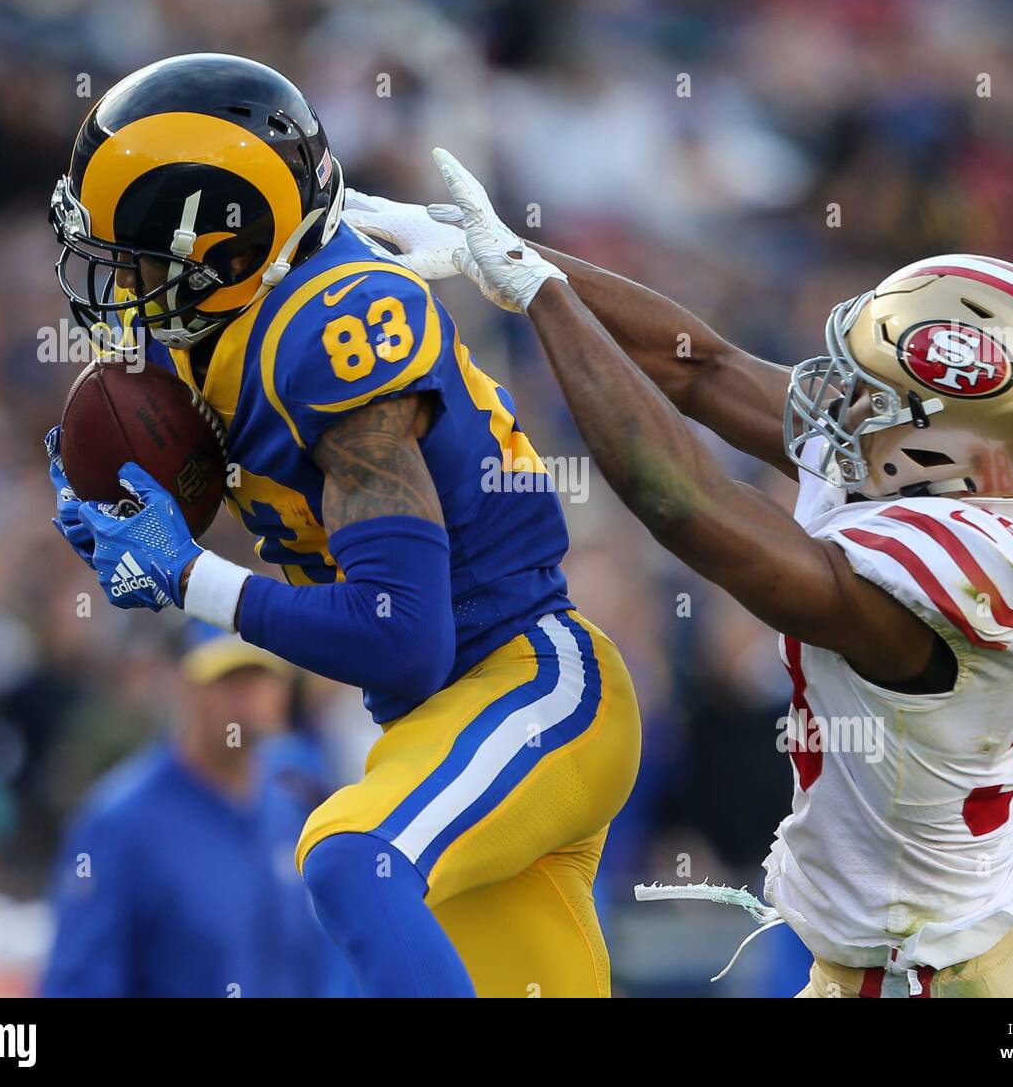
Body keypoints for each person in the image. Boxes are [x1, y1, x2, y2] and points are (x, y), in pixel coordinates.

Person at [351, 150, 1013, 998]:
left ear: (963, 457)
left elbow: (681, 499)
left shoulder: (968, 581)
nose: (847, 402)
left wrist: (545, 298)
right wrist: (500, 255)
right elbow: (700, 366)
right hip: (910, 949)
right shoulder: (957, 477)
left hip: (932, 974)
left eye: (880, 397)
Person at [45, 54, 640, 998]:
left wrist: (189, 577)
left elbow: (402, 635)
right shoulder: (229, 327)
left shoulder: (334, 328)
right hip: (435, 721)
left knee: (350, 853)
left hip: (531, 681)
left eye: (144, 262)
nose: (124, 290)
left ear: (228, 249)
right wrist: (134, 518)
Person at [40, 621, 355, 997]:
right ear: (185, 688)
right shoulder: (120, 823)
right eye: (229, 681)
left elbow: (317, 967)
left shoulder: (293, 810)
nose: (248, 698)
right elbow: (80, 982)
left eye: (260, 677)